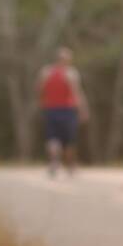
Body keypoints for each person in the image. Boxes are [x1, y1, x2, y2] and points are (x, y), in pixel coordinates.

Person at [38, 48, 90, 177]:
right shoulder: (71, 73)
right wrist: (83, 109)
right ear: (68, 60)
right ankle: (70, 165)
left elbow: (40, 89)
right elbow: (77, 93)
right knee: (69, 140)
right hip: (67, 110)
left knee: (52, 138)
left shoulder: (46, 72)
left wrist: (42, 103)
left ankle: (54, 162)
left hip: (51, 109)